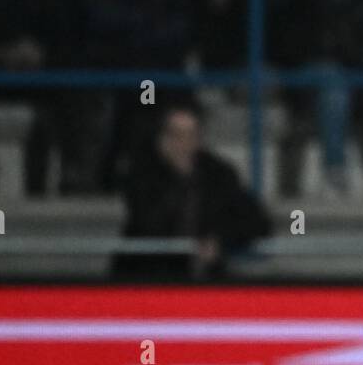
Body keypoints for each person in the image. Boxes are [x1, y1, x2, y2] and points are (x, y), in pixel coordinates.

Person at [115, 103, 271, 281]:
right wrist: (180, 177)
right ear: (161, 139)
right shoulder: (141, 172)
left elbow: (257, 221)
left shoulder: (218, 173)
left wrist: (220, 240)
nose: (184, 143)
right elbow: (149, 221)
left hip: (204, 282)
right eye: (176, 135)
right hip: (147, 278)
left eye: (191, 135)